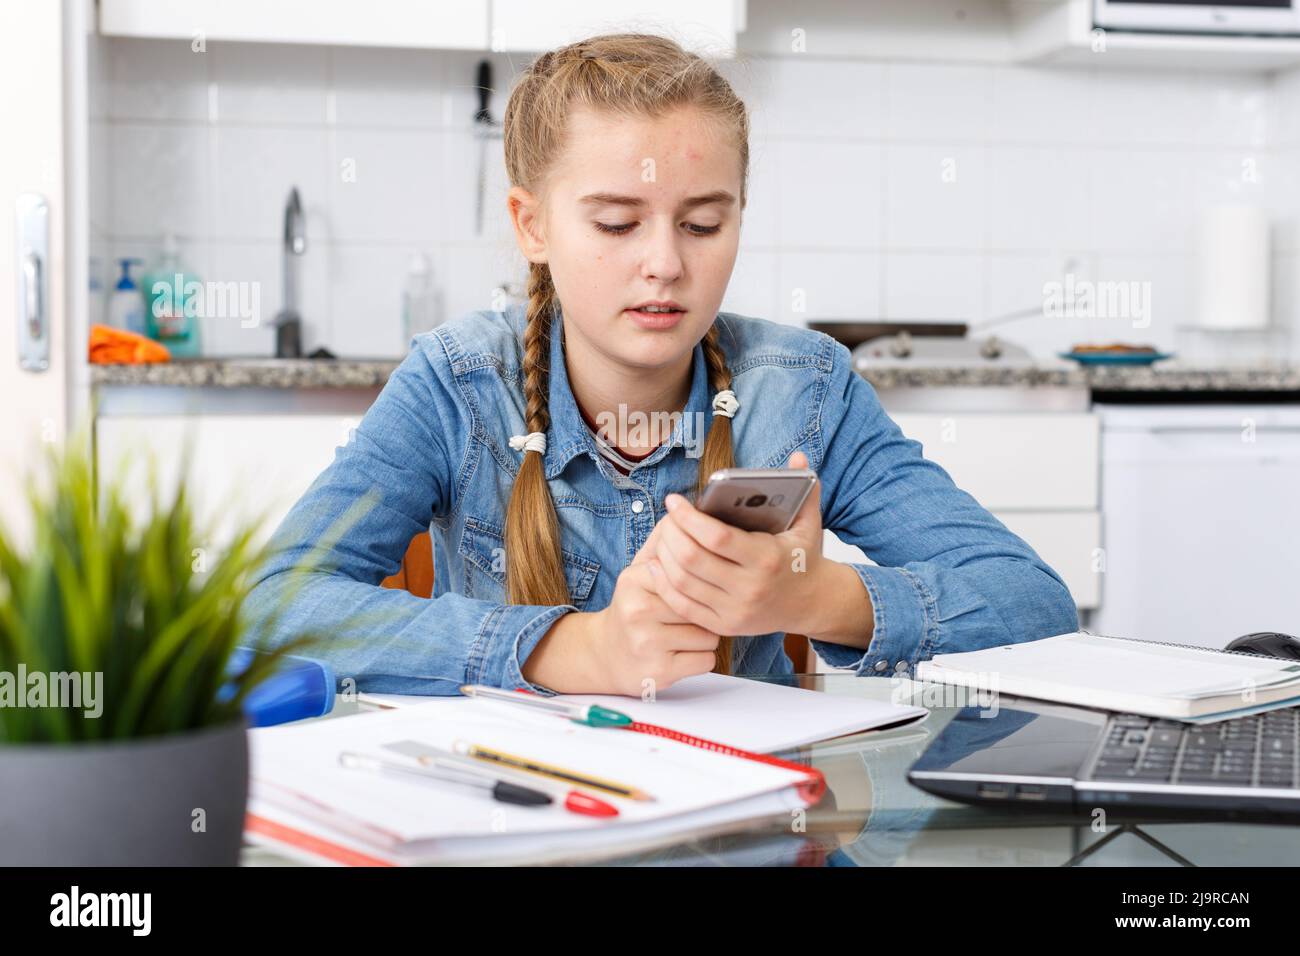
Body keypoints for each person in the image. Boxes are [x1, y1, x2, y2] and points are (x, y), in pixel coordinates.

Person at [243, 33, 1078, 697]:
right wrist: (573, 649)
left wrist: (813, 595)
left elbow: (1033, 603)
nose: (665, 265)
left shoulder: (806, 388)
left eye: (704, 224)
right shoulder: (455, 384)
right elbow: (268, 609)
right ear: (532, 226)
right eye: (615, 223)